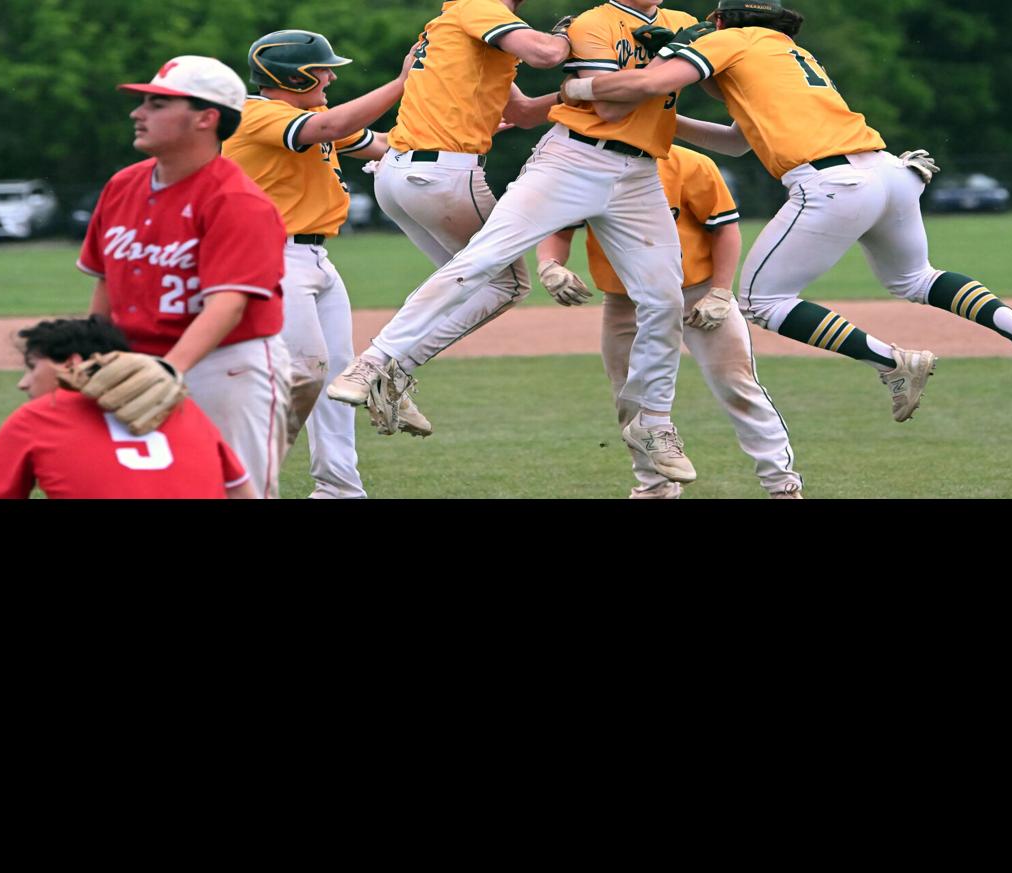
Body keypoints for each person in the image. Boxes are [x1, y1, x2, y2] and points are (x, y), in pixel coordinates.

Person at [563, 0, 1012, 423]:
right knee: (917, 277)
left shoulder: (728, 39)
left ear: (721, 21)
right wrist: (662, 124)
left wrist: (578, 89)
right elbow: (738, 142)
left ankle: (893, 362)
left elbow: (651, 84)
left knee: (762, 301)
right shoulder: (788, 51)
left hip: (833, 182)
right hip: (888, 171)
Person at [329, 0, 705, 485]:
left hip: (638, 170)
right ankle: (376, 362)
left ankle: (653, 422)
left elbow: (525, 112)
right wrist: (577, 54)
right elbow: (563, 66)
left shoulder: (677, 23)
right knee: (484, 266)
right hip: (559, 161)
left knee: (664, 299)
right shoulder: (534, 16)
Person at [324, 0, 570, 437]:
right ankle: (380, 365)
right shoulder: (480, 7)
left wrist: (581, 95)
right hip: (441, 176)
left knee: (464, 283)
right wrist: (569, 37)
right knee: (507, 284)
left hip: (396, 175)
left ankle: (387, 370)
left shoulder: (454, 23)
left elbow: (523, 113)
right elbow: (546, 54)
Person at [75, 55, 292, 496]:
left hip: (226, 367)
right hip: (136, 362)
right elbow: (106, 285)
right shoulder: (122, 186)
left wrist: (169, 369)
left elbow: (227, 305)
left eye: (157, 104)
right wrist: (93, 355)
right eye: (144, 103)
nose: (138, 114)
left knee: (233, 490)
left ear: (206, 118)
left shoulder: (236, 200)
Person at [537, 143, 804, 499]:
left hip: (697, 293)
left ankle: (782, 485)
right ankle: (655, 488)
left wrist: (720, 291)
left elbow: (724, 229)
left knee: (737, 386)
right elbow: (559, 228)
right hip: (625, 300)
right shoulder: (590, 166)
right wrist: (550, 264)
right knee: (630, 396)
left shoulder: (689, 164)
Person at [224, 30, 414, 499]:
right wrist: (402, 83)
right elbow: (328, 130)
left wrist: (461, 133)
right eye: (323, 70)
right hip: (270, 257)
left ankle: (339, 488)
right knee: (304, 371)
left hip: (316, 258)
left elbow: (384, 143)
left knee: (337, 378)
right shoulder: (256, 113)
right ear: (294, 76)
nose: (331, 77)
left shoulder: (311, 117)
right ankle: (243, 477)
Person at [0, 317, 254, 500]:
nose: (24, 383)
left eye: (32, 367)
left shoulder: (37, 416)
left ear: (72, 364)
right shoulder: (182, 408)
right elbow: (241, 492)